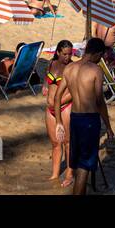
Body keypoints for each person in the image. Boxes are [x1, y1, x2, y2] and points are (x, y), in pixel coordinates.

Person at [52, 37, 112, 195]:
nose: (101, 60)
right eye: (101, 57)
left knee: (78, 163)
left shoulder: (70, 68)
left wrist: (58, 121)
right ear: (98, 53)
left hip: (74, 119)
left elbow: (57, 97)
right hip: (89, 121)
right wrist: (109, 126)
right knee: (84, 167)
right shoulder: (95, 70)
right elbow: (100, 102)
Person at [45, 40, 76, 186]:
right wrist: (45, 86)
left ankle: (69, 174)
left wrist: (58, 101)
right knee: (55, 143)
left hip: (65, 107)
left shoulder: (72, 68)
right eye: (64, 54)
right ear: (57, 52)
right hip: (50, 109)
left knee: (67, 142)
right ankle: (55, 174)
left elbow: (74, 92)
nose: (67, 57)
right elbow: (47, 81)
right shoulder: (52, 63)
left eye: (70, 54)